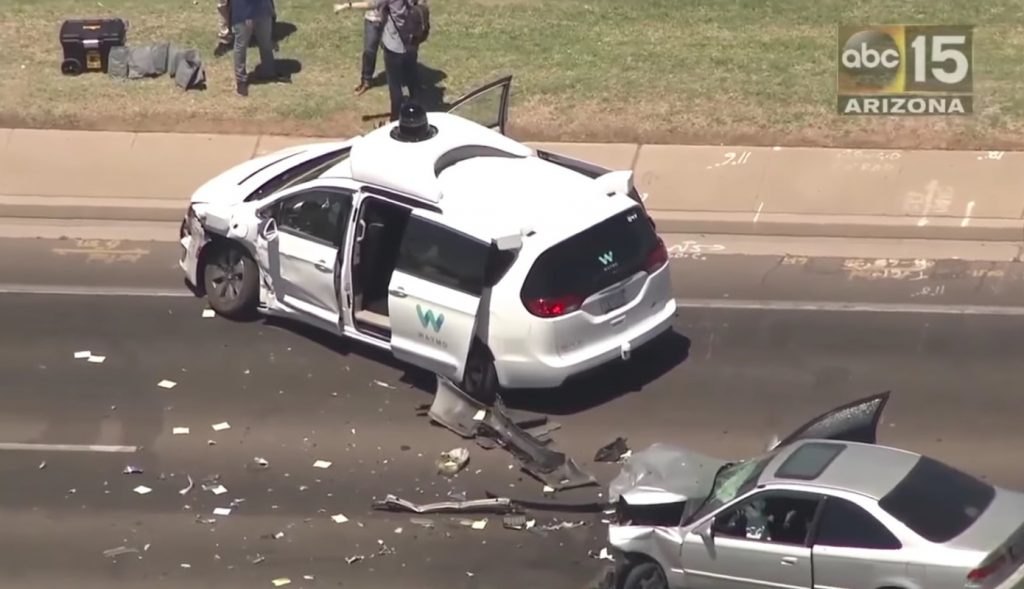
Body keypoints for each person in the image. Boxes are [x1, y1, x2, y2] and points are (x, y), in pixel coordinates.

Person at [336, 0, 420, 120]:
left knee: (395, 86)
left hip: (394, 44)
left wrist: (346, 6)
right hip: (406, 40)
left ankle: (396, 119)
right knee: (406, 73)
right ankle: (413, 105)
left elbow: (372, 4)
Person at [231, 0, 285, 96]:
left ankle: (268, 72)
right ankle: (241, 81)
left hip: (263, 10)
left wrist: (270, 10)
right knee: (241, 46)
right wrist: (247, 15)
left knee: (266, 42)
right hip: (243, 11)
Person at [352, 7, 383, 96]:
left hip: (391, 20)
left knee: (392, 51)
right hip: (372, 19)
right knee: (369, 51)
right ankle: (366, 80)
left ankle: (397, 80)